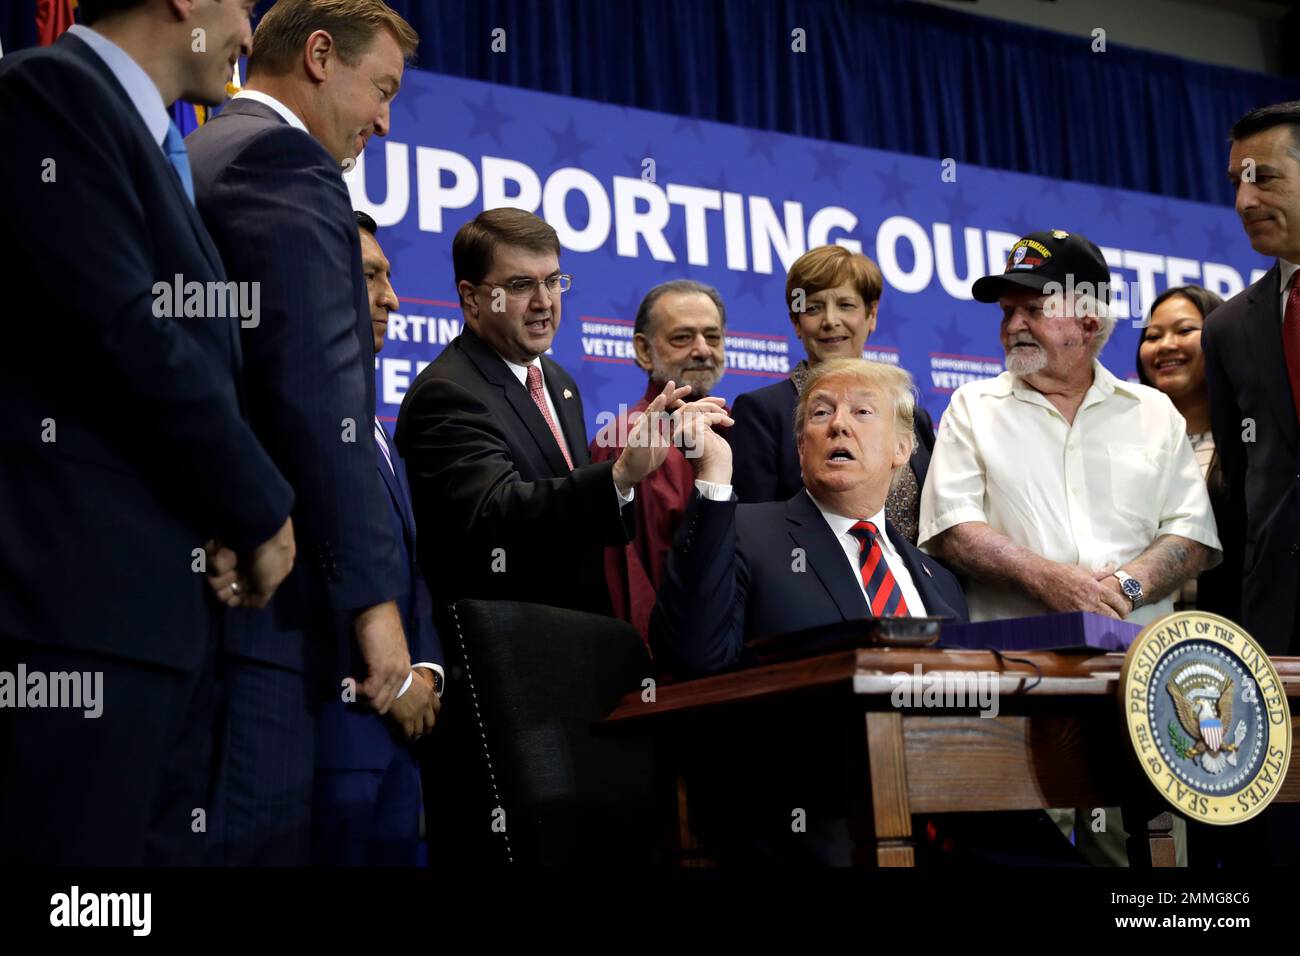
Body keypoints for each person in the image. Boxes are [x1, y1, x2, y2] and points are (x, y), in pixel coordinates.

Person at [0, 0, 295, 865]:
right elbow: (123, 329)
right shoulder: (48, 92)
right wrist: (261, 507)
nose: (249, 35)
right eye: (245, 5)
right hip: (72, 616)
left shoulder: (149, 145)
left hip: (157, 624)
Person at [186, 0, 425, 865]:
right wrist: (374, 606)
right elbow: (319, 400)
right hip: (260, 616)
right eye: (382, 89)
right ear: (321, 56)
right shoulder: (279, 160)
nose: (384, 122)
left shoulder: (208, 147)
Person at [919, 229, 1222, 864]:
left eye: (1032, 308)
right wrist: (1054, 584)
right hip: (1020, 699)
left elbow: (1191, 535)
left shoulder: (1153, 412)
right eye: (1006, 313)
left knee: (1160, 877)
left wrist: (1121, 590)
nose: (1012, 327)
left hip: (1143, 696)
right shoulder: (973, 407)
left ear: (1088, 316)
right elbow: (952, 527)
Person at [396, 208, 691, 620]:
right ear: (471, 297)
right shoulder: (448, 392)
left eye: (553, 281)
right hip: (511, 648)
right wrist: (619, 476)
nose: (543, 302)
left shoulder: (557, 380)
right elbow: (493, 516)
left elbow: (577, 521)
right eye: (520, 285)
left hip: (581, 636)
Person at [653, 358, 965, 679]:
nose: (838, 424)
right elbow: (691, 659)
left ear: (902, 448)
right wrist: (713, 474)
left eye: (862, 412)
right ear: (801, 447)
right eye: (821, 413)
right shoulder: (741, 534)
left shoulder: (943, 583)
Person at [311, 212, 444, 866]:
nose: (392, 297)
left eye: (389, 277)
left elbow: (409, 565)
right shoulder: (295, 412)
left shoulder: (376, 427)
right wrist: (388, 681)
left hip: (401, 742)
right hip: (334, 729)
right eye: (371, 277)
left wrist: (425, 670)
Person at [727, 244, 935, 543]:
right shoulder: (762, 411)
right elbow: (754, 536)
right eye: (813, 308)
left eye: (846, 305)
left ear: (872, 315)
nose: (830, 320)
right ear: (796, 323)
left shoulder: (912, 416)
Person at [1206, 101, 1300, 658]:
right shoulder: (1226, 328)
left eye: (1263, 179)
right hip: (1278, 630)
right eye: (1237, 183)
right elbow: (1236, 493)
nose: (1244, 202)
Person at [590, 279, 729, 644]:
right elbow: (634, 588)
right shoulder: (626, 439)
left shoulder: (735, 430)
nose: (702, 350)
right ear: (644, 350)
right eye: (682, 338)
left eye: (712, 337)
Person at [1135, 285, 1241, 620]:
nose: (1166, 345)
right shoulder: (1122, 444)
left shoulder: (1252, 447)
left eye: (1184, 331)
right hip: (1137, 643)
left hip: (1231, 642)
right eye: (1153, 336)